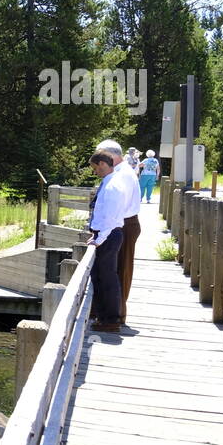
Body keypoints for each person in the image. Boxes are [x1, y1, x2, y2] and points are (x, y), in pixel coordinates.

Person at [97, 138, 141, 325]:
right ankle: (113, 312)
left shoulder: (121, 175)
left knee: (118, 270)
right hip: (123, 224)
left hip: (123, 225)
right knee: (117, 269)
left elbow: (116, 207)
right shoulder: (122, 172)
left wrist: (103, 233)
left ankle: (116, 315)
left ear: (112, 157)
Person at [87, 152, 131, 332]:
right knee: (99, 276)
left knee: (107, 278)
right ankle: (103, 317)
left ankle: (111, 320)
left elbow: (112, 218)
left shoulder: (113, 186)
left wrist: (100, 239)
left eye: (96, 168)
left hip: (109, 235)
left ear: (104, 164)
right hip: (105, 234)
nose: (95, 171)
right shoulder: (110, 182)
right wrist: (95, 235)